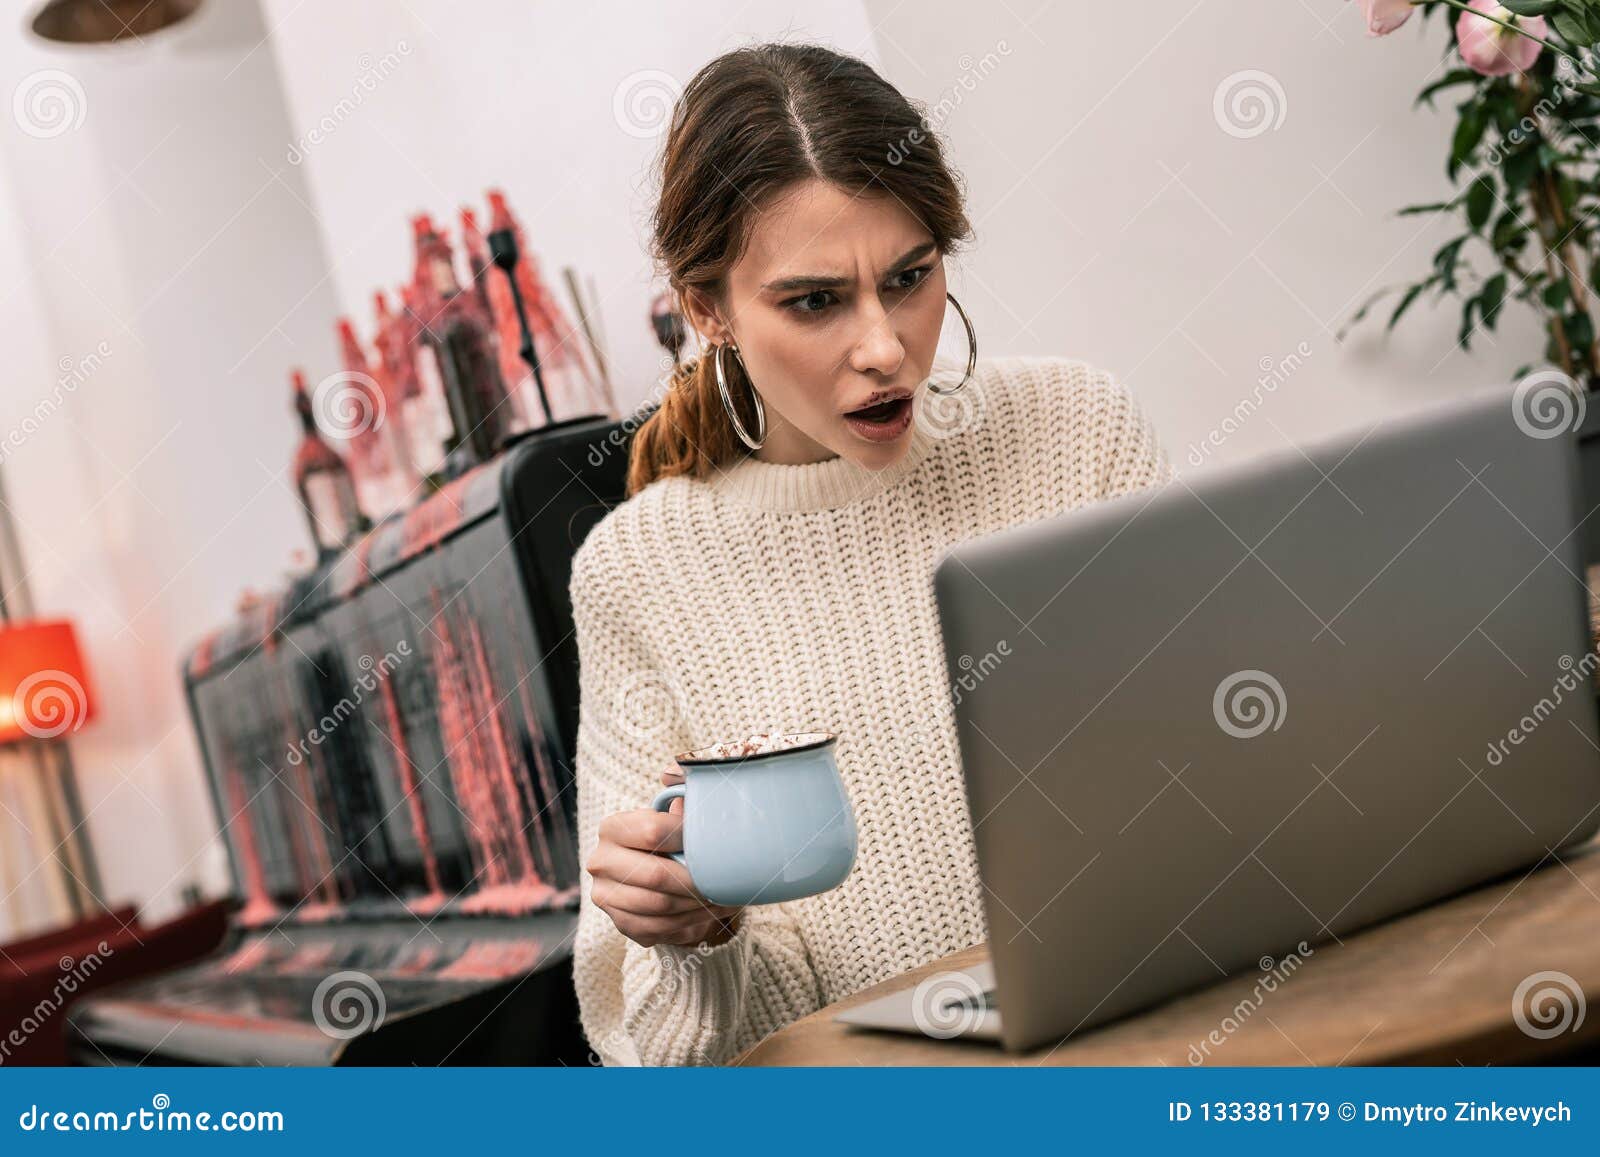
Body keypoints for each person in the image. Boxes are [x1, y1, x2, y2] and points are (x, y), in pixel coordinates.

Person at [570, 41, 1173, 1066]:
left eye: (909, 277)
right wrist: (698, 938)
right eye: (814, 301)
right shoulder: (639, 571)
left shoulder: (1075, 430)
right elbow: (667, 1060)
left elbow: (1233, 784)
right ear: (707, 306)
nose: (885, 345)